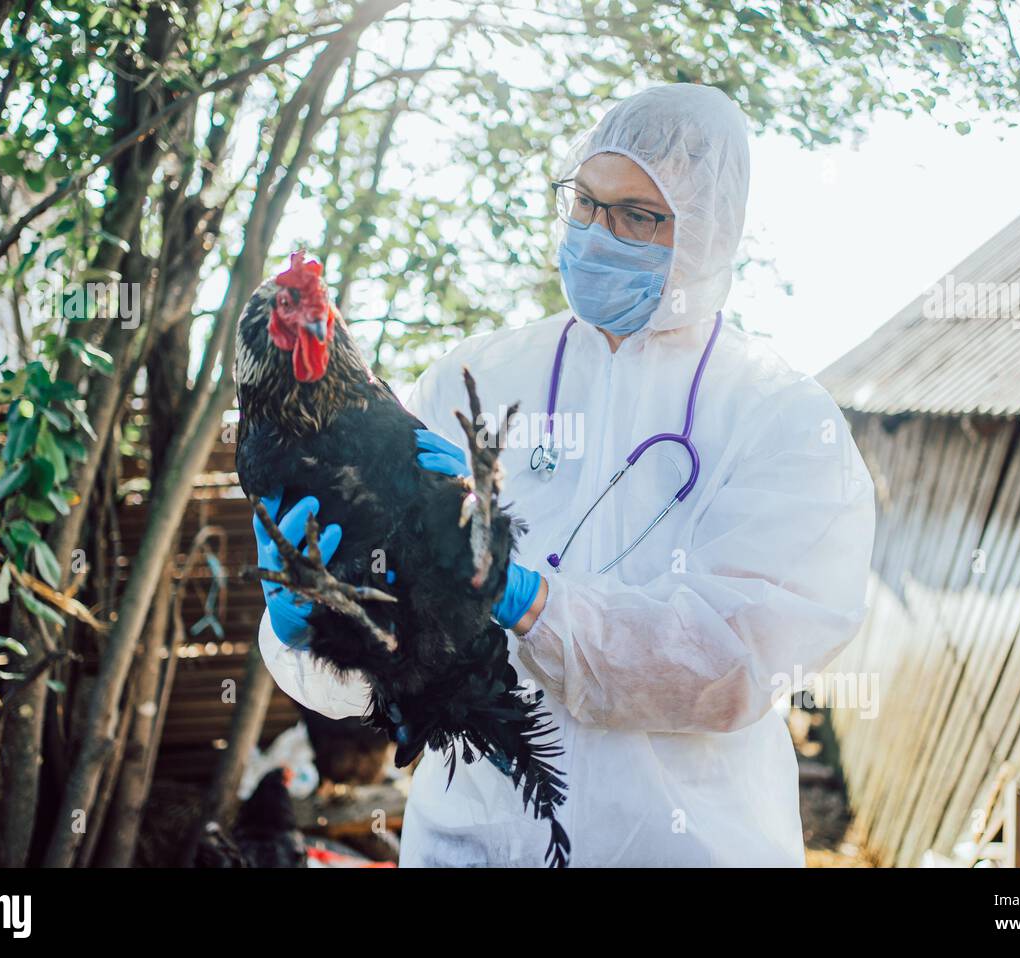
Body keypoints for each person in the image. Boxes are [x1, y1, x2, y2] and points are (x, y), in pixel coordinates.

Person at [255, 83, 875, 867]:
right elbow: (390, 670)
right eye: (584, 202)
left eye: (637, 216)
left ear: (710, 231)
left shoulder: (778, 417)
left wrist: (532, 602)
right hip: (469, 848)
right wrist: (315, 628)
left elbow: (737, 663)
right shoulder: (470, 379)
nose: (597, 231)